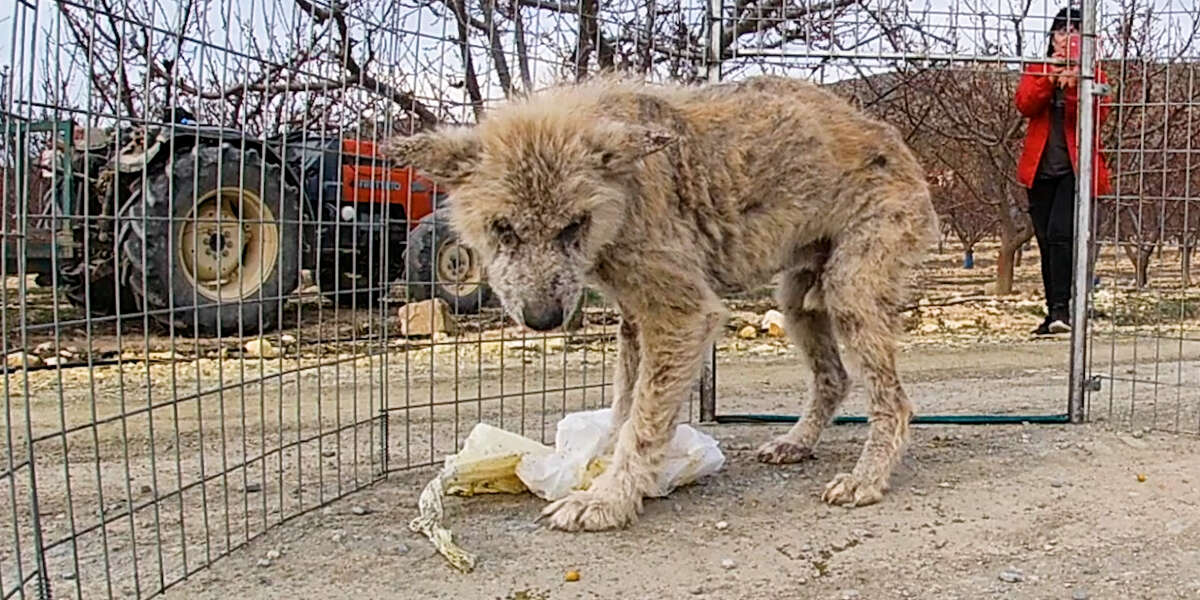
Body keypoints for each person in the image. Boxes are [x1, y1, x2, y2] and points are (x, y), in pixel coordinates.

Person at [1013, 6, 1112, 335]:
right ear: (1051, 37)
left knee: (1061, 233)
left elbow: (1093, 116)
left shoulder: (1094, 75)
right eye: (1060, 31)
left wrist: (1073, 83)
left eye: (1074, 32)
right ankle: (1054, 311)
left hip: (1075, 168)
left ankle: (1067, 309)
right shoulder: (1038, 68)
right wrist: (1049, 77)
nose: (1065, 38)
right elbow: (1025, 104)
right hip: (1040, 170)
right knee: (1045, 239)